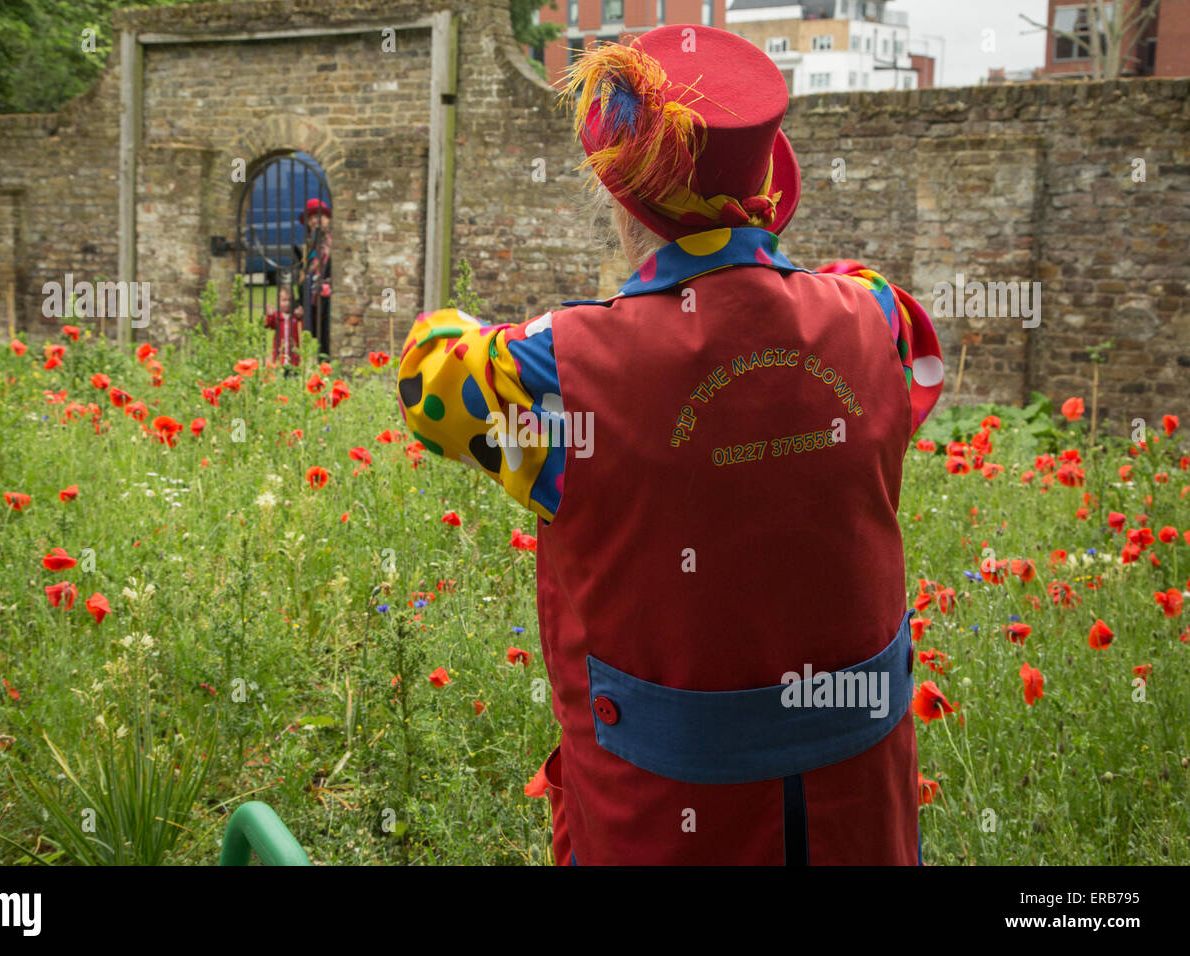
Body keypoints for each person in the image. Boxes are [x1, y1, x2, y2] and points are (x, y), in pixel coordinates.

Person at [397, 26, 944, 865]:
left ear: (624, 201)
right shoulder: (877, 319)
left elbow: (426, 378)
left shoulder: (560, 371)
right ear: (764, 186)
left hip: (658, 828)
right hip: (857, 820)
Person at [294, 197, 333, 356]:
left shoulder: (335, 241)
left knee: (329, 336)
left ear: (327, 218)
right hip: (314, 297)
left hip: (330, 296)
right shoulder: (310, 245)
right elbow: (303, 274)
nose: (313, 221)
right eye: (310, 218)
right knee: (319, 340)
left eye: (317, 216)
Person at [265, 283, 302, 372]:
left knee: (293, 375)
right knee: (279, 373)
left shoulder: (295, 316)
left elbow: (305, 327)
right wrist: (270, 315)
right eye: (284, 300)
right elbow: (269, 325)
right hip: (279, 353)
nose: (287, 303)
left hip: (293, 354)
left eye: (289, 300)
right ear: (278, 301)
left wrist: (301, 315)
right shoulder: (276, 316)